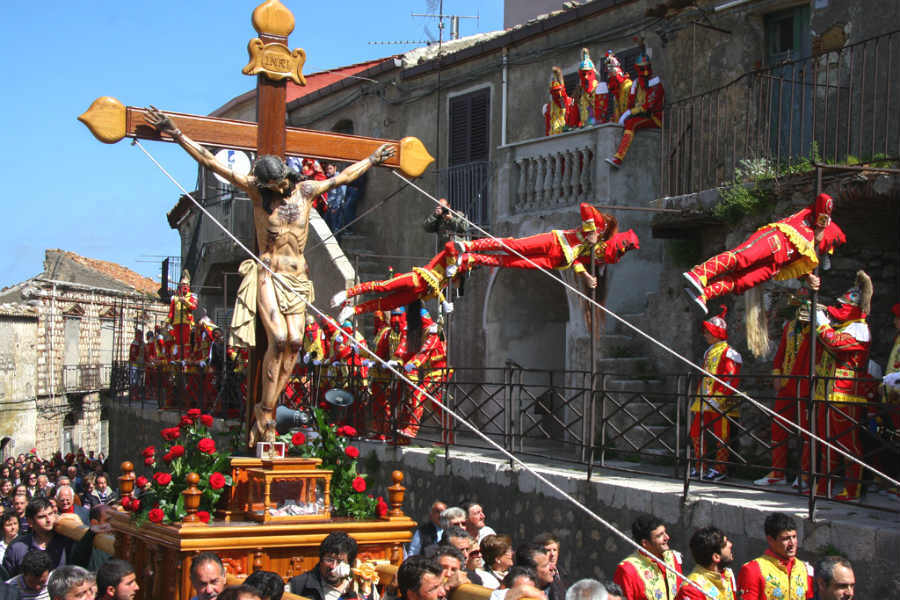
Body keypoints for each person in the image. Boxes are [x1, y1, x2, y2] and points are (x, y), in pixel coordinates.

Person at [145, 106, 395, 447]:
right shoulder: (256, 193)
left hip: (298, 279)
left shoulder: (305, 191)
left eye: (273, 186)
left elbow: (344, 177)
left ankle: (270, 407)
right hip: (268, 274)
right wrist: (176, 133)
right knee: (277, 338)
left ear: (282, 179)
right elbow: (210, 161)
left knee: (294, 343)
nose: (271, 192)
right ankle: (264, 412)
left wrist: (372, 160)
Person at [682, 194, 845, 315]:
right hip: (776, 239)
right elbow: (825, 199)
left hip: (775, 265)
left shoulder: (812, 250)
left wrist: (807, 277)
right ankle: (699, 273)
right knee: (742, 257)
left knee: (741, 282)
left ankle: (705, 294)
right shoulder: (813, 219)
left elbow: (798, 264)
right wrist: (821, 227)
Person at [450, 205, 638, 291]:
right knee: (514, 246)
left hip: (556, 261)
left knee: (511, 263)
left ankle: (471, 259)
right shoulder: (601, 226)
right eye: (605, 252)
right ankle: (469, 245)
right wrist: (591, 232)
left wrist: (586, 276)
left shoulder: (598, 258)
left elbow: (578, 262)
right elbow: (585, 207)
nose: (601, 255)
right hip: (555, 241)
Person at [811, 271, 873, 501]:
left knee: (848, 443)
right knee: (826, 443)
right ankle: (823, 485)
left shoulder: (858, 330)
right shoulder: (843, 326)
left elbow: (836, 345)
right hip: (828, 392)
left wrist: (822, 324)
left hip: (846, 395)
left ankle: (853, 489)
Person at [756, 293, 814, 487]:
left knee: (807, 432)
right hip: (787, 385)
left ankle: (805, 474)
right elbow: (781, 352)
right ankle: (778, 472)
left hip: (805, 385)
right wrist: (777, 373)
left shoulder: (815, 328)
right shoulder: (789, 326)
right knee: (778, 428)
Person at [689, 306, 742, 481]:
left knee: (722, 435)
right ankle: (700, 465)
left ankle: (721, 469)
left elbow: (730, 378)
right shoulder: (709, 352)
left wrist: (719, 398)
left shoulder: (729, 352)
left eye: (708, 332)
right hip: (703, 399)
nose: (705, 335)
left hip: (719, 402)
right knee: (696, 431)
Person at [2, 498, 98, 578]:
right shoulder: (17, 548)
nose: (48, 520)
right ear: (30, 522)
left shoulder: (65, 540)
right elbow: (8, 583)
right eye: (41, 517)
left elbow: (79, 565)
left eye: (51, 514)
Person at [605, 52, 664, 168]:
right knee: (627, 123)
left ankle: (618, 158)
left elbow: (649, 106)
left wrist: (629, 113)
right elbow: (631, 101)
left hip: (654, 117)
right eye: (642, 69)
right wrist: (627, 113)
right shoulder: (636, 84)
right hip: (641, 115)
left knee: (631, 123)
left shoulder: (656, 85)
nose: (645, 72)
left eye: (646, 68)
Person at [737, 512, 813, 600]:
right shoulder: (753, 570)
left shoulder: (803, 568)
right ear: (770, 540)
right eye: (786, 538)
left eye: (794, 537)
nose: (792, 543)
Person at [613, 515, 682, 600]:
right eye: (660, 535)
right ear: (645, 543)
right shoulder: (628, 570)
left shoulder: (672, 558)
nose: (667, 537)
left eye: (665, 532)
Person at [288, 532, 358, 600]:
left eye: (340, 561)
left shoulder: (358, 587)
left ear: (349, 564)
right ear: (321, 559)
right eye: (329, 560)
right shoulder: (298, 585)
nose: (333, 567)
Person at [674, 527, 736, 600]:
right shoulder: (691, 589)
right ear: (716, 557)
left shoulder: (726, 575)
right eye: (725, 544)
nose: (731, 544)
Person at [543, 67, 578, 136]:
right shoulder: (549, 108)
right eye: (555, 92)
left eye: (559, 91)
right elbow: (548, 127)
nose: (558, 94)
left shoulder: (570, 102)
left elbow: (574, 122)